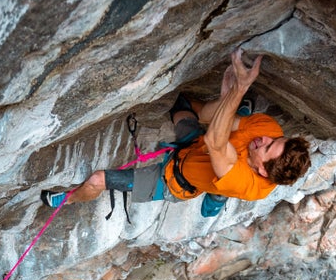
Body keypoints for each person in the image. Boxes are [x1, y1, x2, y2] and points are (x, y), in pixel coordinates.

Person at [41, 49, 310, 215]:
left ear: (263, 171)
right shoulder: (268, 130)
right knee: (183, 105)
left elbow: (217, 144)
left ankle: (69, 200)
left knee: (97, 180)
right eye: (274, 139)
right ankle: (239, 116)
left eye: (265, 147)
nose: (265, 138)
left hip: (174, 181)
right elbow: (208, 117)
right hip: (194, 146)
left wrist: (238, 91)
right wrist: (226, 99)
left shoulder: (249, 185)